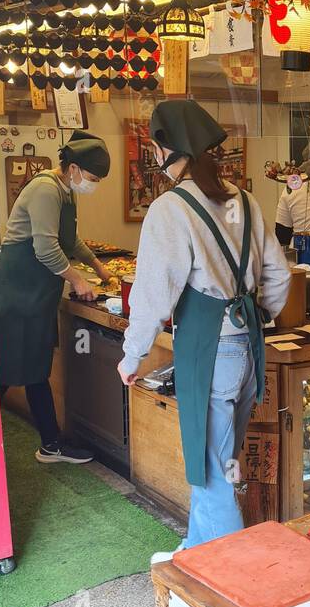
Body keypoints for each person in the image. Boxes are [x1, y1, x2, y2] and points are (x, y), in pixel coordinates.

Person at [118, 100, 290, 547]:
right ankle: (195, 549)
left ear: (169, 149)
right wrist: (260, 313)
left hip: (209, 353)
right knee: (218, 456)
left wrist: (132, 354)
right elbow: (279, 275)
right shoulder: (246, 201)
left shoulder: (170, 209)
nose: (155, 155)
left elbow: (155, 293)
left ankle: (233, 576)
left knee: (211, 468)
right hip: (248, 349)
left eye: (157, 146)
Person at [0, 130, 112, 465]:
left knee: (34, 367)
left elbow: (69, 242)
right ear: (72, 168)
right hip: (18, 291)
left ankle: (50, 444)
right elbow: (44, 247)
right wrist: (77, 279)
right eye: (92, 177)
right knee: (5, 368)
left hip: (36, 293)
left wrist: (99, 268)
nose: (93, 183)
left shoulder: (67, 192)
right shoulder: (46, 189)